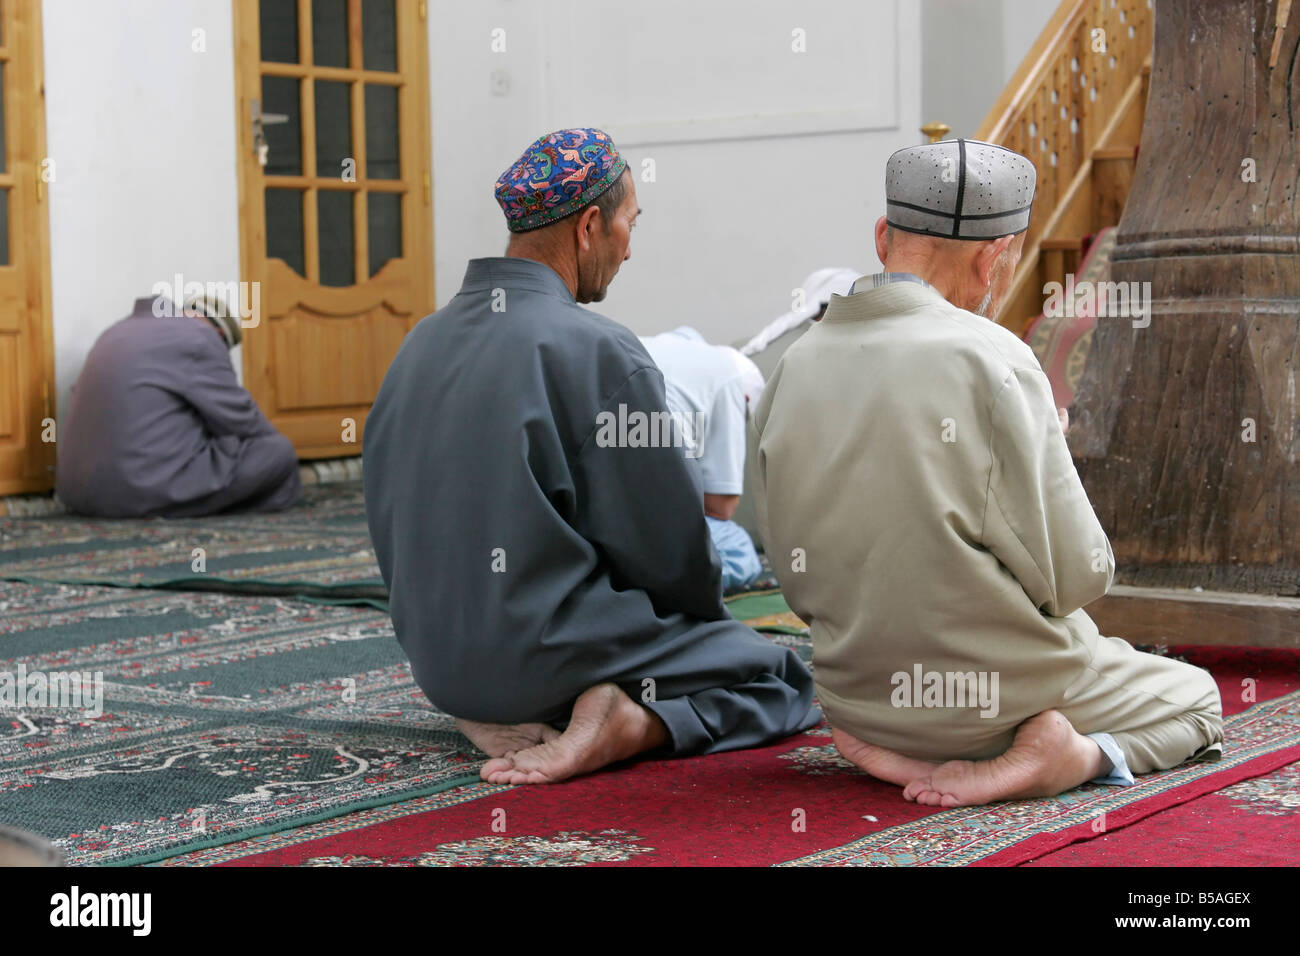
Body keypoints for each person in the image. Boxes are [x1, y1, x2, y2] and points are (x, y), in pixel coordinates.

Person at [750, 139, 1223, 807]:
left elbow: (790, 567)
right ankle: (1069, 759)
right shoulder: (992, 357)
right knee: (1197, 698)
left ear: (883, 237)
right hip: (994, 702)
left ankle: (904, 754)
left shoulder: (794, 366)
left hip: (858, 701)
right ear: (993, 256)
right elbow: (1077, 577)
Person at [363, 128, 819, 786]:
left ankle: (501, 700)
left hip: (442, 672)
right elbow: (671, 555)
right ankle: (631, 724)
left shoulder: (419, 344)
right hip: (541, 658)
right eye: (631, 223)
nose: (630, 248)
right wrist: (701, 629)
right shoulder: (601, 351)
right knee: (776, 675)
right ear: (590, 226)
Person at [55, 294, 302, 518]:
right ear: (219, 335)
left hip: (77, 492)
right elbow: (244, 421)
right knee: (277, 452)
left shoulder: (113, 332)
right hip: (133, 493)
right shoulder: (199, 339)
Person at [638, 326, 765, 590]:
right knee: (738, 549)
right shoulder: (728, 378)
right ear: (746, 398)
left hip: (578, 513)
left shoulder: (640, 343)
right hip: (638, 528)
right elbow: (720, 507)